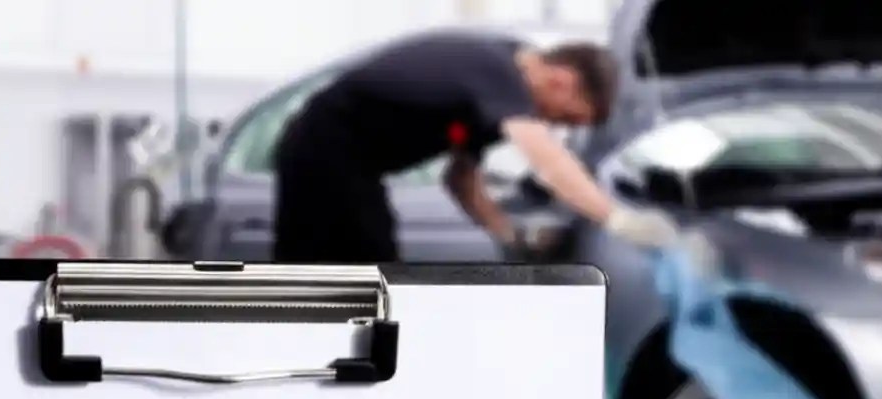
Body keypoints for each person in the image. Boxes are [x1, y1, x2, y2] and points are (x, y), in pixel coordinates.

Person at [271, 30, 681, 263]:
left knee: (364, 264)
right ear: (562, 81)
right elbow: (549, 162)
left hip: (349, 162)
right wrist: (618, 219)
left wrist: (510, 237)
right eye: (566, 118)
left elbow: (461, 178)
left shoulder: (489, 100)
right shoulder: (499, 70)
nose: (555, 126)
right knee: (358, 266)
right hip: (323, 147)